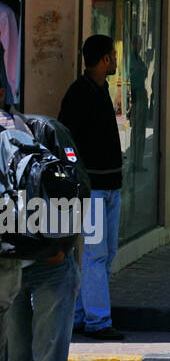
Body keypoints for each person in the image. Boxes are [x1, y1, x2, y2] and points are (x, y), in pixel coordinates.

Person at [58, 34, 124, 340]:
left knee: (106, 254)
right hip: (94, 191)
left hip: (111, 187)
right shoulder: (79, 94)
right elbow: (65, 142)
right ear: (105, 60)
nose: (114, 59)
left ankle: (82, 315)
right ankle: (98, 321)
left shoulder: (102, 89)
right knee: (95, 255)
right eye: (112, 54)